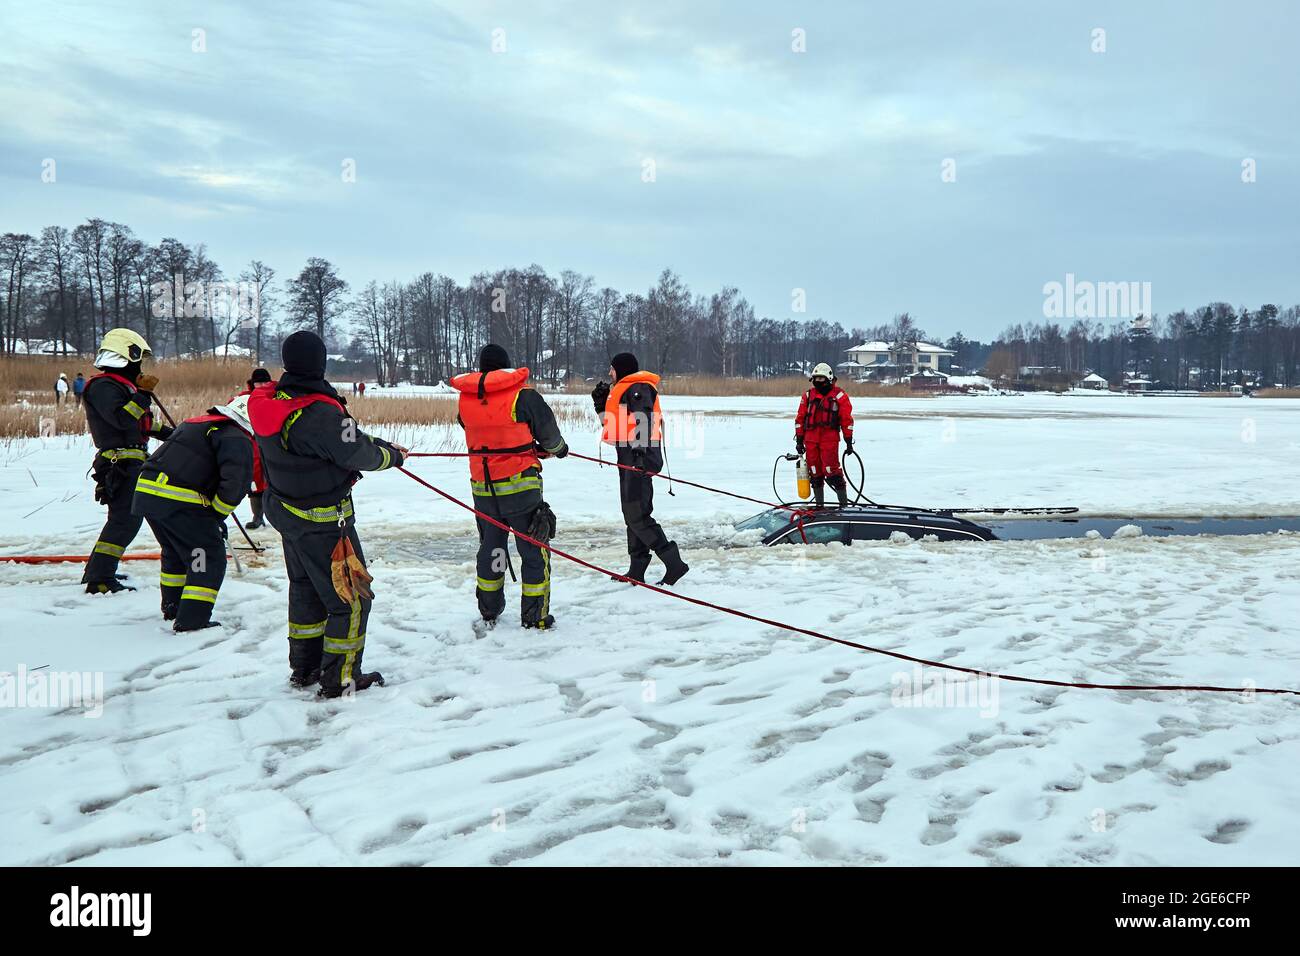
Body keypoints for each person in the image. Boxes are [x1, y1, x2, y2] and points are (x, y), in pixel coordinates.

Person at [248, 331, 406, 697]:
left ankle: (305, 668)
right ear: (320, 363)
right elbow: (354, 452)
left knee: (306, 590)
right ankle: (341, 678)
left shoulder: (272, 401)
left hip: (288, 513)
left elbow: (342, 441)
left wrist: (378, 444)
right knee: (351, 598)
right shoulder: (317, 412)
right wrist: (392, 457)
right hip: (323, 520)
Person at [451, 344, 568, 632]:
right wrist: (558, 450)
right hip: (520, 489)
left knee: (492, 548)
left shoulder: (466, 401)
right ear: (506, 367)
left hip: (483, 490)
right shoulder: (523, 396)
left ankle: (489, 609)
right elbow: (549, 435)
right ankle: (534, 615)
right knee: (533, 550)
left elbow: (477, 430)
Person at [131, 394, 255, 632]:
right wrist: (216, 516)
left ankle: (173, 606)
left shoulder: (198, 424)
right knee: (208, 557)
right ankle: (192, 621)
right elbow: (235, 486)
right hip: (180, 501)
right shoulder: (236, 437)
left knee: (175, 552)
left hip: (148, 495)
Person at [81, 329, 173, 594]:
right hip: (119, 463)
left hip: (132, 461)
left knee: (124, 520)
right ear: (126, 357)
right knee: (124, 521)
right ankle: (99, 579)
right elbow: (122, 419)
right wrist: (142, 394)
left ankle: (100, 571)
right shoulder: (103, 387)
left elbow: (142, 422)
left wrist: (175, 435)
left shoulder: (121, 386)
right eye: (137, 361)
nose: (140, 367)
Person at [591, 352, 688, 585]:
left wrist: (639, 456)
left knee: (637, 514)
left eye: (612, 369)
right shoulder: (625, 388)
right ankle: (637, 568)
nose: (609, 373)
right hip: (628, 455)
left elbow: (643, 421)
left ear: (621, 369)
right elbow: (614, 424)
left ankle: (673, 562)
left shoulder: (638, 388)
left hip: (638, 458)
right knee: (632, 514)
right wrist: (600, 403)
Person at [794, 363, 855, 508]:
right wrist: (799, 440)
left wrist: (848, 441)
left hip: (829, 439)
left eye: (821, 379)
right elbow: (800, 419)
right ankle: (819, 506)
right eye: (816, 379)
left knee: (832, 471)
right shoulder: (808, 396)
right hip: (810, 440)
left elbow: (847, 420)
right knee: (814, 472)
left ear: (829, 379)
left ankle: (843, 506)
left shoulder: (839, 396)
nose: (818, 382)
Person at [240, 368, 273, 529]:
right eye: (258, 382)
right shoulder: (243, 399)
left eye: (264, 382)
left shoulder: (275, 398)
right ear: (253, 384)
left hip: (271, 444)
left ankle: (276, 517)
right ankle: (257, 517)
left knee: (274, 483)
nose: (261, 386)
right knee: (256, 483)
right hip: (252, 446)